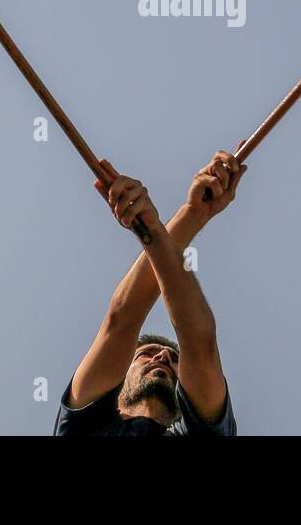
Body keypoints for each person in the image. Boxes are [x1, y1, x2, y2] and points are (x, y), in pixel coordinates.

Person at [53, 151, 246, 436]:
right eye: (146, 353)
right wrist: (186, 217)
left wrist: (170, 224)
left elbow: (199, 342)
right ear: (118, 380)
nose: (162, 358)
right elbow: (120, 321)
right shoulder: (82, 428)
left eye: (173, 359)